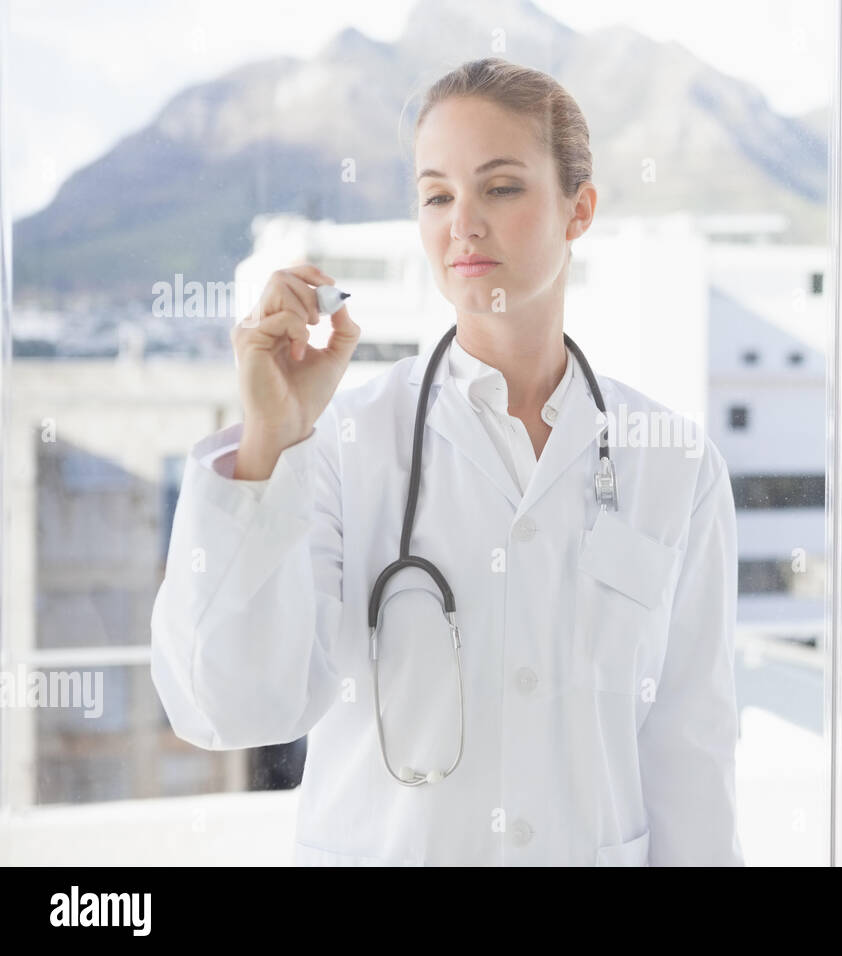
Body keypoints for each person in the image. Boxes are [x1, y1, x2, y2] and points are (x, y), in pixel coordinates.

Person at [150, 57, 745, 866]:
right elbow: (230, 707)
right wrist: (267, 443)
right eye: (436, 195)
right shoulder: (335, 447)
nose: (462, 222)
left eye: (500, 187)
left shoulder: (675, 465)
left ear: (580, 209)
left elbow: (691, 759)